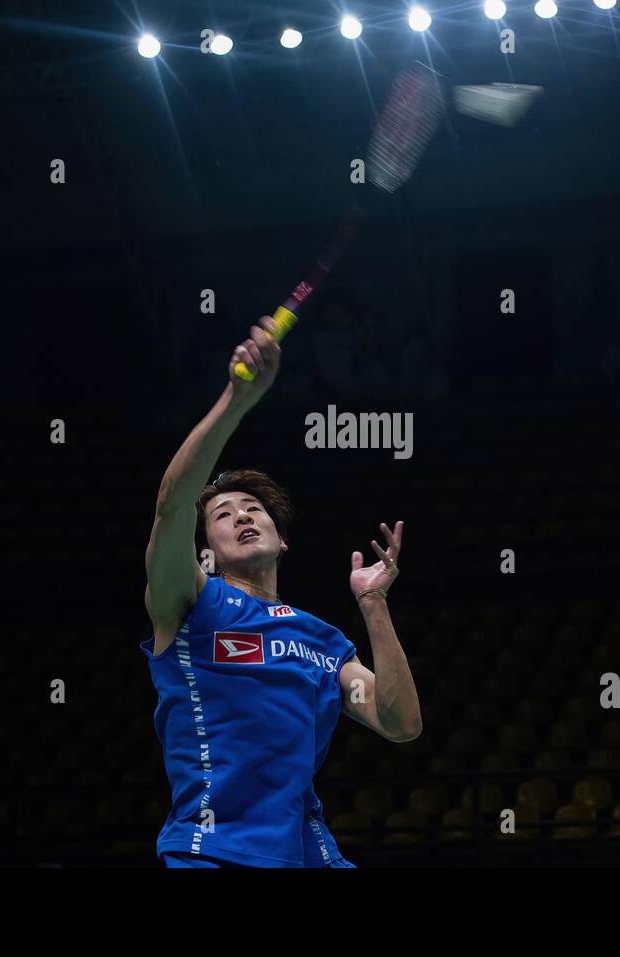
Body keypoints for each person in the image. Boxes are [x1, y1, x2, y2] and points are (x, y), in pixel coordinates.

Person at [141, 314, 423, 867]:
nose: (243, 515)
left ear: (282, 540)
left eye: (255, 509)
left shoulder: (322, 640)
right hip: (214, 850)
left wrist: (374, 605)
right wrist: (237, 401)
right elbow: (172, 504)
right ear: (207, 550)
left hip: (308, 853)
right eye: (224, 514)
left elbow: (400, 724)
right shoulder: (191, 605)